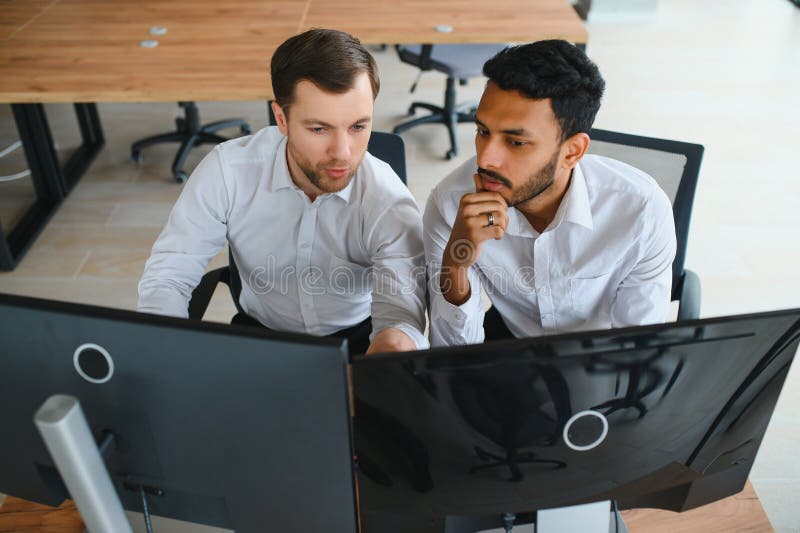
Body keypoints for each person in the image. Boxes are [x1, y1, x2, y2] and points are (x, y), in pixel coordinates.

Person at [138, 29, 427, 355]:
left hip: (360, 342)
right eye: (319, 129)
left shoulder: (388, 201)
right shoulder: (228, 171)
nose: (343, 152)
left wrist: (392, 348)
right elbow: (169, 274)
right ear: (282, 118)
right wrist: (164, 351)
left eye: (358, 126)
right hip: (260, 335)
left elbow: (402, 317)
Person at [424, 39, 676, 347]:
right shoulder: (450, 203)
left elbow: (637, 346)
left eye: (515, 142)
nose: (485, 158)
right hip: (512, 346)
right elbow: (451, 355)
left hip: (601, 356)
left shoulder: (641, 210)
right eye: (483, 131)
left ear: (572, 152)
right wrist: (456, 265)